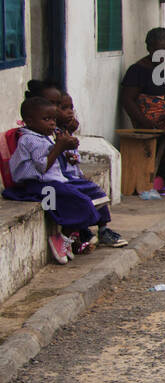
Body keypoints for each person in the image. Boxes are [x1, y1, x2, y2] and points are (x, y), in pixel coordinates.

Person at [3, 96, 129, 262]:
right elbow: (43, 167)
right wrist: (59, 146)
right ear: (29, 122)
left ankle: (85, 233)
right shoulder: (30, 139)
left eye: (53, 119)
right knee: (78, 201)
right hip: (36, 184)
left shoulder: (44, 135)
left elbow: (56, 159)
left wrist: (66, 150)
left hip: (54, 180)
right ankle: (63, 237)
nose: (52, 123)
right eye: (46, 119)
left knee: (92, 192)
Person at [119, 28, 165, 128]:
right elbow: (127, 100)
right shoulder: (138, 70)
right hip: (156, 121)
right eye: (157, 51)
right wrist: (145, 122)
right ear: (149, 48)